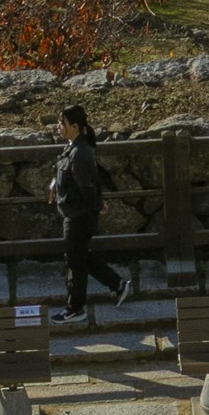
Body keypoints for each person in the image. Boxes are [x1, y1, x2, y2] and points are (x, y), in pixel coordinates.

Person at [49, 106, 121, 320]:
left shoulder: (80, 152)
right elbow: (68, 172)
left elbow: (86, 186)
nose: (58, 126)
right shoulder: (73, 146)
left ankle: (75, 309)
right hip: (75, 213)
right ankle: (117, 284)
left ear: (75, 127)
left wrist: (98, 205)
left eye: (61, 123)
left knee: (74, 261)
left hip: (79, 216)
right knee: (79, 256)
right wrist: (55, 183)